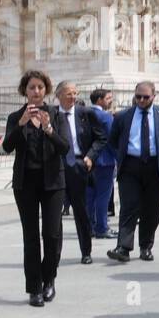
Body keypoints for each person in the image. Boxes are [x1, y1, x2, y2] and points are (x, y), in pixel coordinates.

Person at [4, 70, 69, 306]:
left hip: (53, 182)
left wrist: (49, 130)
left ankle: (49, 279)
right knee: (30, 236)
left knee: (52, 234)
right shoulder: (15, 117)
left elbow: (65, 148)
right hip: (25, 183)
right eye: (32, 87)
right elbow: (7, 146)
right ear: (25, 91)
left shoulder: (55, 115)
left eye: (40, 87)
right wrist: (20, 125)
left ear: (46, 90)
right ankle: (34, 288)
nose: (36, 91)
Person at [107, 81, 159, 263]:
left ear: (154, 96)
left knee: (152, 209)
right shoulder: (123, 116)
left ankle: (146, 246)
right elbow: (112, 140)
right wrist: (120, 157)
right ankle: (123, 247)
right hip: (130, 166)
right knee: (128, 206)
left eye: (145, 97)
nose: (141, 100)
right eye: (138, 96)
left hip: (156, 167)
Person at [55, 81, 105, 264]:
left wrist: (90, 157)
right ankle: (55, 253)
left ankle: (86, 251)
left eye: (75, 93)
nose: (73, 97)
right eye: (69, 94)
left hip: (79, 165)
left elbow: (101, 138)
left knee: (81, 210)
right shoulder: (52, 114)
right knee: (55, 212)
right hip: (57, 167)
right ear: (58, 95)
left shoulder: (86, 114)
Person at [87, 88, 117, 239]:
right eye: (108, 98)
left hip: (88, 160)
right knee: (103, 196)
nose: (110, 101)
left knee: (90, 195)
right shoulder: (105, 117)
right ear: (99, 100)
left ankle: (91, 226)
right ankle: (101, 227)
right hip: (105, 160)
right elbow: (112, 139)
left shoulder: (84, 114)